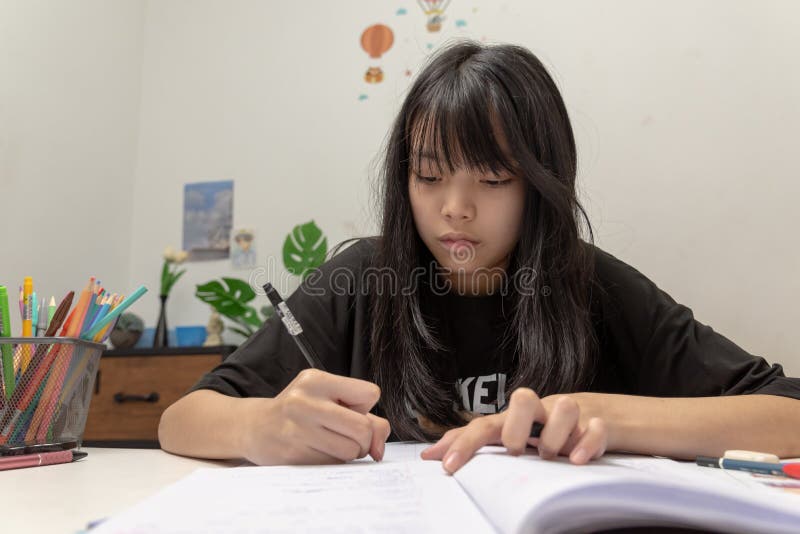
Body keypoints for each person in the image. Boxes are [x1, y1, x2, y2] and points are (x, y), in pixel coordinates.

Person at [158, 41, 800, 473]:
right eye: (430, 177)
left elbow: (788, 415)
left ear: (540, 183)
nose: (455, 209)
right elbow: (181, 420)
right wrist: (258, 427)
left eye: (492, 180)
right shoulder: (362, 279)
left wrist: (604, 414)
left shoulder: (591, 286)